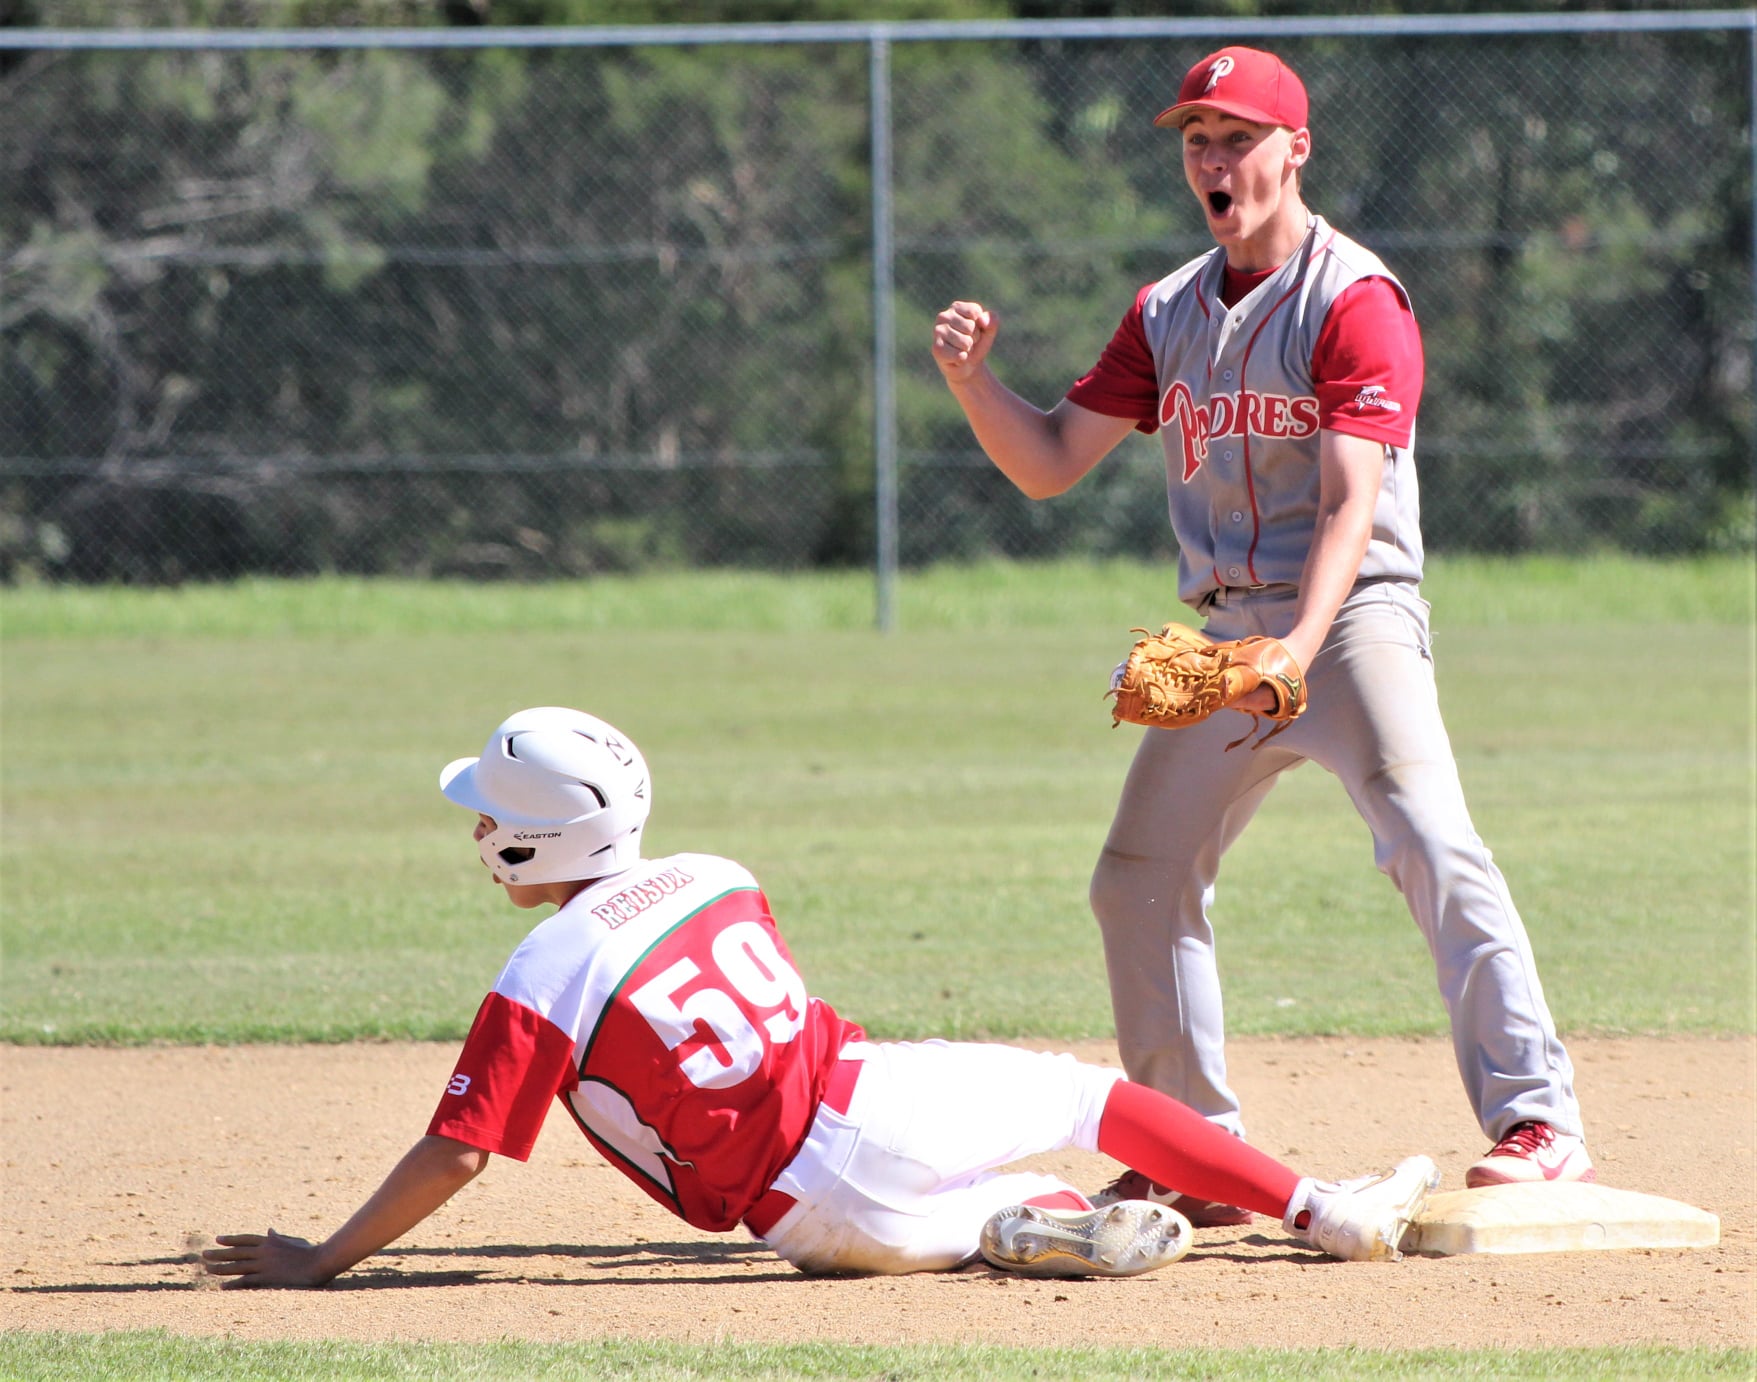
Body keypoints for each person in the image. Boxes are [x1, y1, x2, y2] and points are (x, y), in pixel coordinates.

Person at [930, 45, 1591, 1228]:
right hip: (1224, 633)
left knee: (1429, 842)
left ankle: (1538, 1119)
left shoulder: (1354, 298)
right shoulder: (1167, 309)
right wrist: (976, 383)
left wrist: (1299, 645)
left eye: (1237, 136)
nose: (1213, 158)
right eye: (1197, 139)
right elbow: (1045, 464)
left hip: (1351, 620)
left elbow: (1350, 503)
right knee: (1135, 876)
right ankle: (1189, 1146)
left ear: (1294, 150)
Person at [202, 706, 1439, 1288]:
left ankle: (1021, 1229)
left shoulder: (541, 972)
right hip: (867, 1110)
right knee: (1087, 1094)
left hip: (813, 1231)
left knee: (969, 1203)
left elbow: (460, 1152)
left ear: (534, 841)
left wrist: (324, 1258)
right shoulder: (720, 874)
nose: (479, 825)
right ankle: (1319, 1209)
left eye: (492, 810)